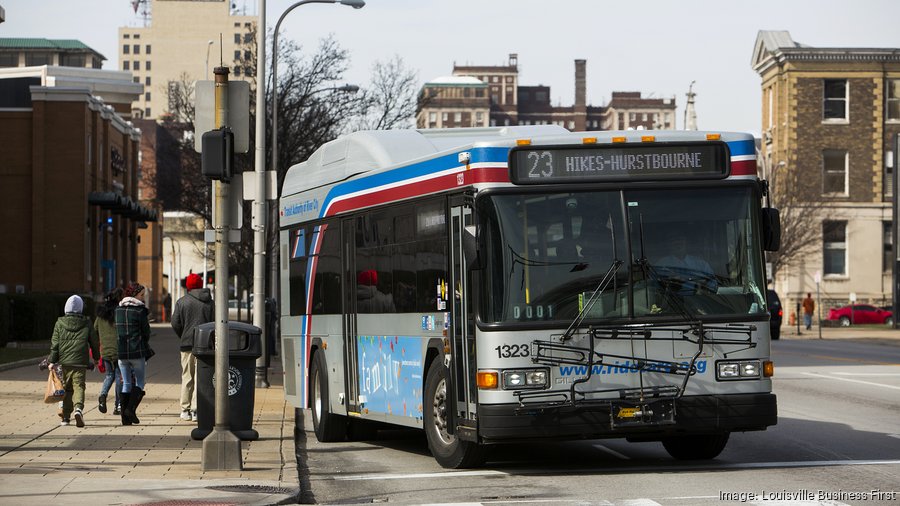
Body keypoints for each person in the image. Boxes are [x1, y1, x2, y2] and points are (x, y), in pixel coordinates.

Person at [49, 295, 101, 427]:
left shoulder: (59, 323)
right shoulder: (87, 323)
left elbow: (55, 344)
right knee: (79, 386)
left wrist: (52, 361)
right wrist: (96, 358)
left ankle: (66, 417)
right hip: (80, 362)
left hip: (64, 361)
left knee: (65, 388)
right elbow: (94, 342)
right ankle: (78, 408)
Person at [171, 273, 213, 422]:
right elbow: (214, 324)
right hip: (205, 346)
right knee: (201, 378)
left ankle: (185, 409)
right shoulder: (209, 302)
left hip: (187, 345)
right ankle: (196, 409)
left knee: (187, 377)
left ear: (188, 286)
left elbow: (175, 323)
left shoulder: (182, 302)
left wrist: (183, 335)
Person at [116, 282, 151, 426]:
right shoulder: (140, 311)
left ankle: (125, 419)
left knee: (126, 383)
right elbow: (146, 332)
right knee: (140, 382)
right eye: (142, 295)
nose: (143, 298)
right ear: (135, 294)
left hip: (122, 352)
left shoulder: (117, 309)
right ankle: (130, 409)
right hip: (137, 351)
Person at [657, 230, 716, 295]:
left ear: (686, 242)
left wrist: (702, 285)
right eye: (673, 240)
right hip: (671, 301)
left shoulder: (701, 265)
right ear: (668, 244)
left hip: (699, 302)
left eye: (680, 239)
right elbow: (654, 286)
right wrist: (669, 282)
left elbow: (713, 285)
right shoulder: (661, 265)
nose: (677, 242)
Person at [94, 288, 123, 415]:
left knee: (109, 375)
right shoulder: (119, 312)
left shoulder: (100, 316)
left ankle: (103, 395)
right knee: (118, 377)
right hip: (118, 350)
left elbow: (95, 328)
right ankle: (118, 406)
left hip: (105, 350)